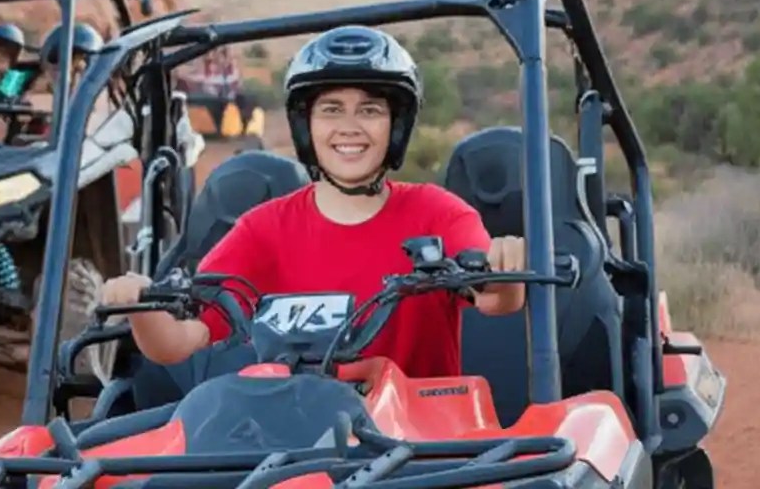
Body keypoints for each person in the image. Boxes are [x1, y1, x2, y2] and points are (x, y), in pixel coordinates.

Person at [99, 25, 527, 380]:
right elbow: (179, 343)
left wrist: (504, 269)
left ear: (396, 128)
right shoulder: (264, 229)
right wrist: (140, 305)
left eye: (371, 110)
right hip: (298, 444)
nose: (349, 127)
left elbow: (494, 299)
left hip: (422, 452)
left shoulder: (438, 213)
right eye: (331, 110)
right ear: (306, 127)